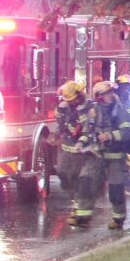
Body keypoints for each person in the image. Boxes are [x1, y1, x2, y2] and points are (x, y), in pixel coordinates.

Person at [77, 80, 130, 229]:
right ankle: (83, 216)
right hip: (97, 156)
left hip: (115, 157)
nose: (111, 95)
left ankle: (118, 219)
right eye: (107, 93)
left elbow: (128, 132)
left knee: (115, 189)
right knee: (86, 182)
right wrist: (81, 142)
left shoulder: (120, 111)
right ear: (99, 97)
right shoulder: (94, 112)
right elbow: (88, 132)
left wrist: (110, 136)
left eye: (111, 92)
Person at [54, 80, 92, 226]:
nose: (71, 102)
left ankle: (78, 209)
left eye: (73, 99)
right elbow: (61, 125)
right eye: (68, 100)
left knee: (77, 177)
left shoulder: (87, 109)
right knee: (63, 173)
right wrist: (56, 135)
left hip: (81, 150)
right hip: (67, 147)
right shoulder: (63, 108)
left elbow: (88, 130)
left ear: (79, 95)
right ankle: (75, 202)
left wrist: (81, 142)